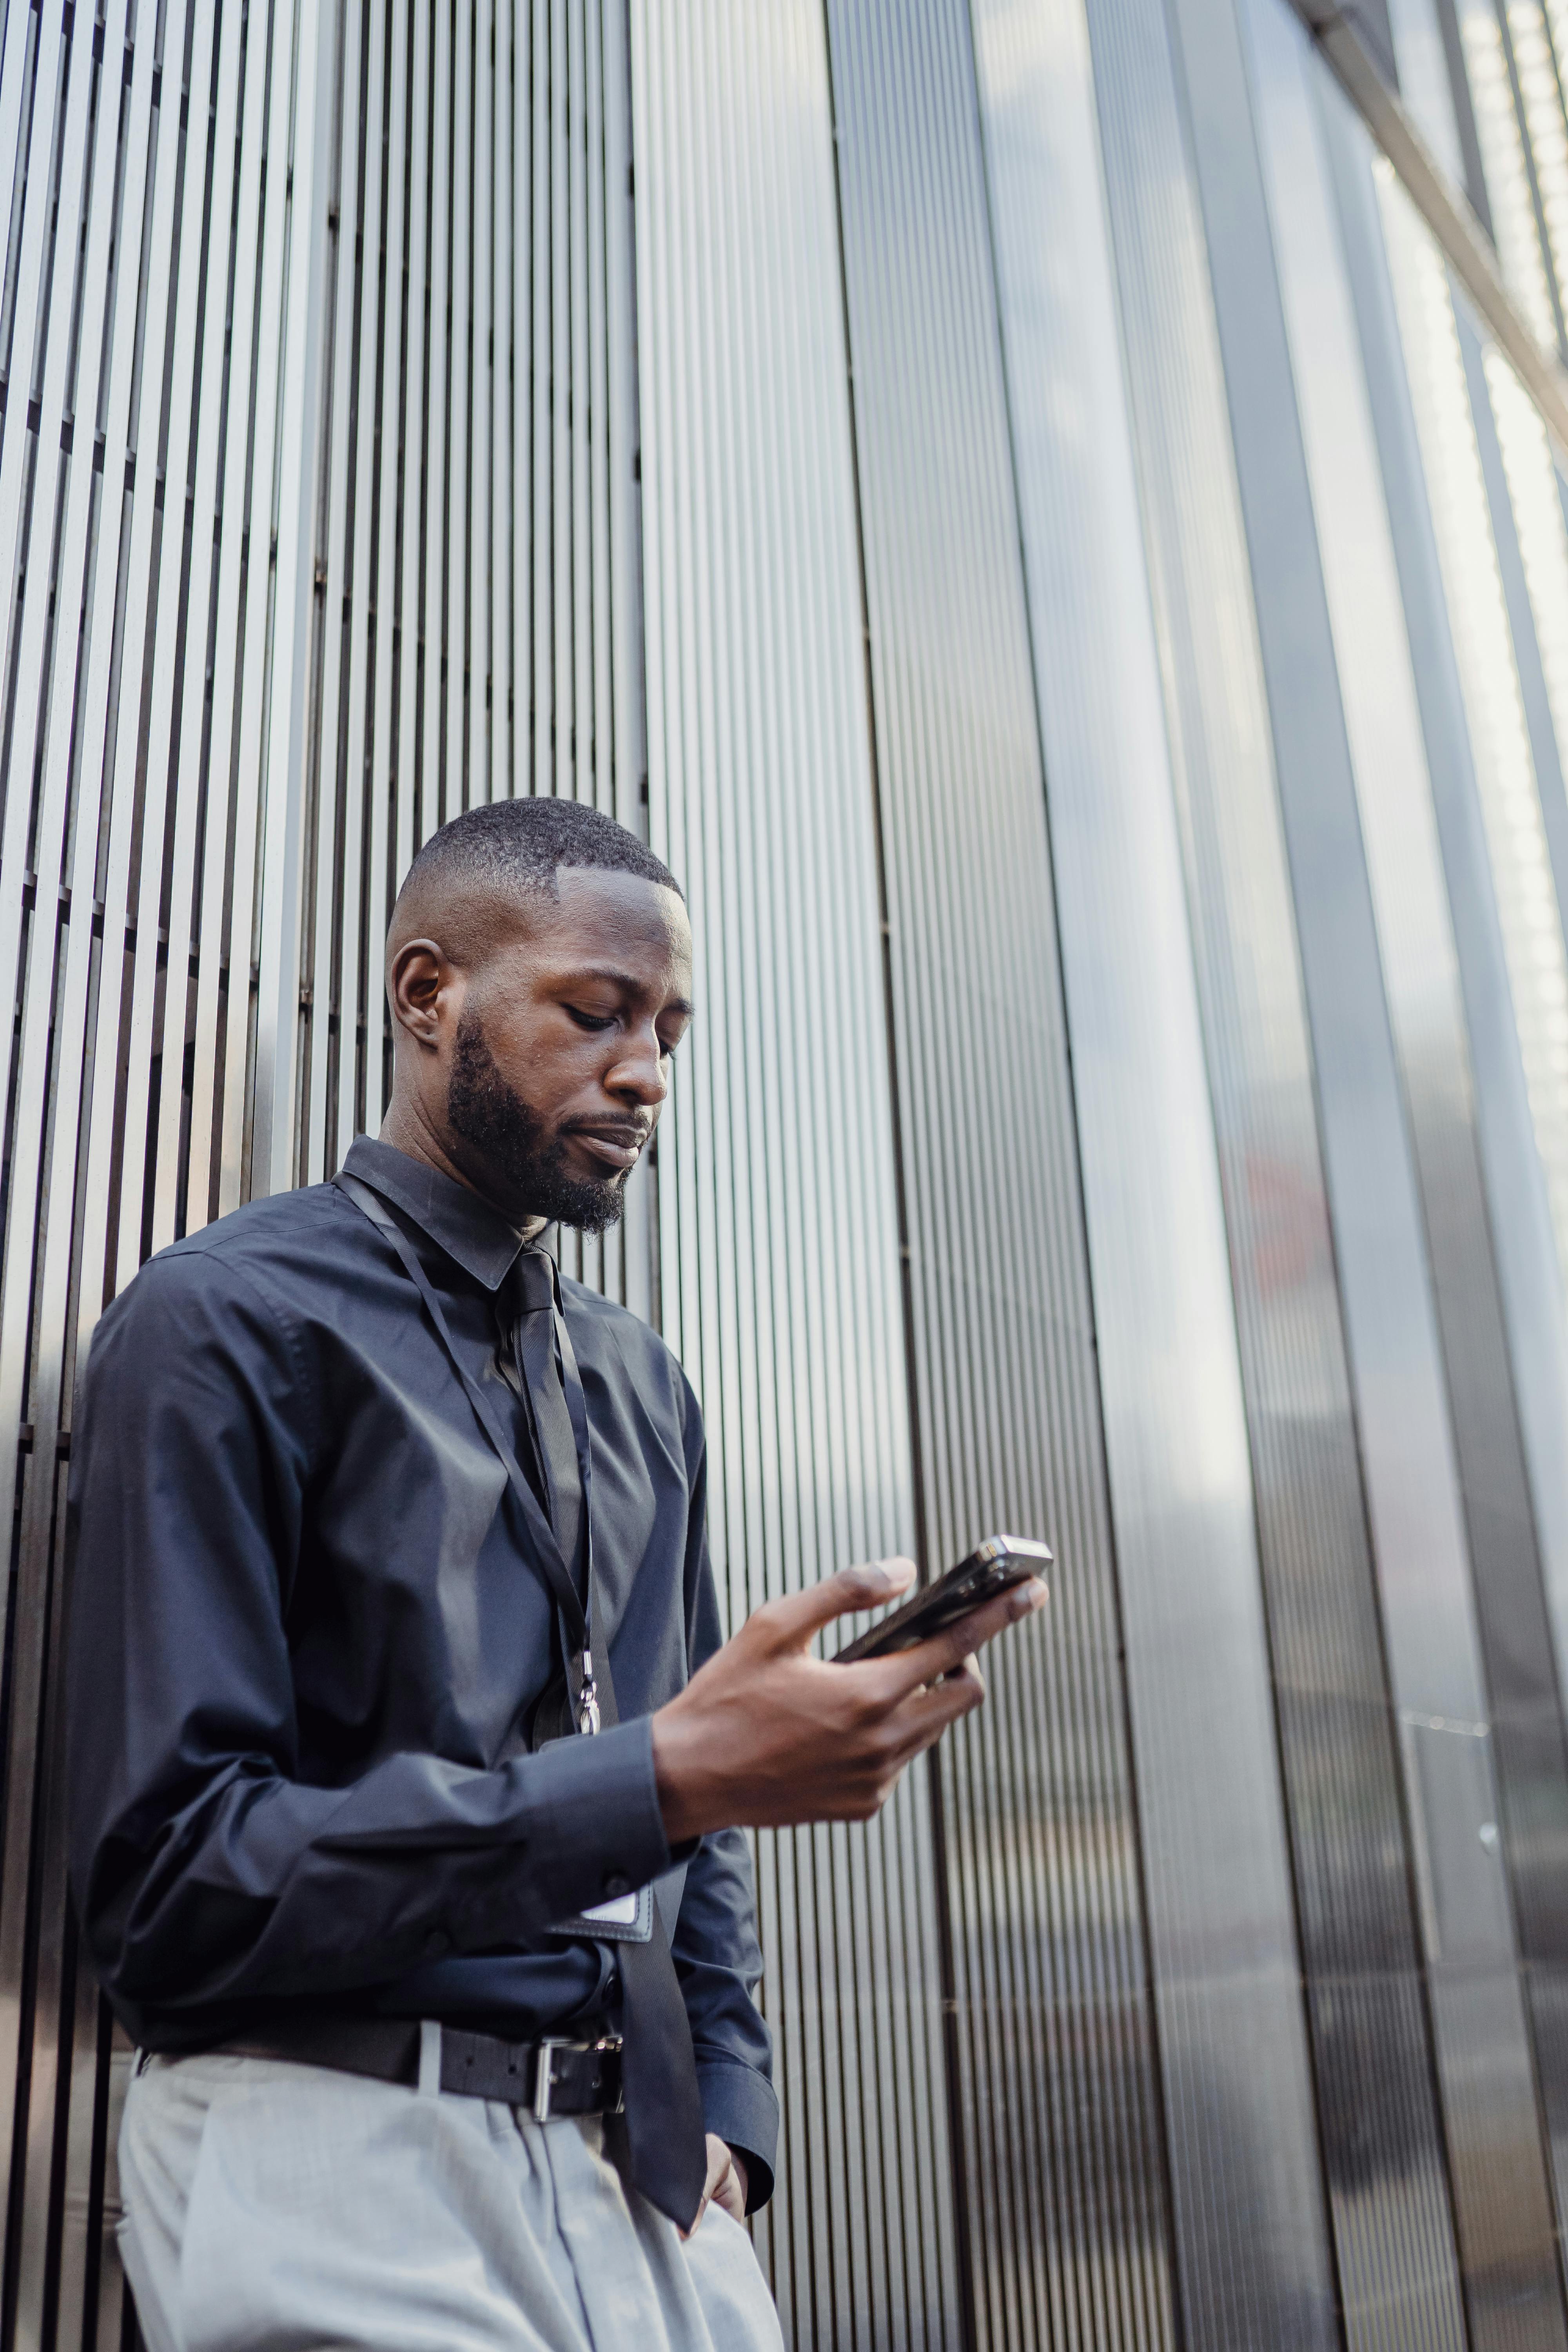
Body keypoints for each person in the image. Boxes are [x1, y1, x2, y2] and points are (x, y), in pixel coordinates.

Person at [67, 798, 1047, 2352]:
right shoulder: (226, 1321)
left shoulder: (642, 1381)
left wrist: (733, 2119)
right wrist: (655, 1782)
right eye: (596, 1012)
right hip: (331, 2145)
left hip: (647, 2185)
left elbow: (699, 1823)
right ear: (426, 994)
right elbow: (173, 1887)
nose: (646, 1070)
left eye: (668, 1029)